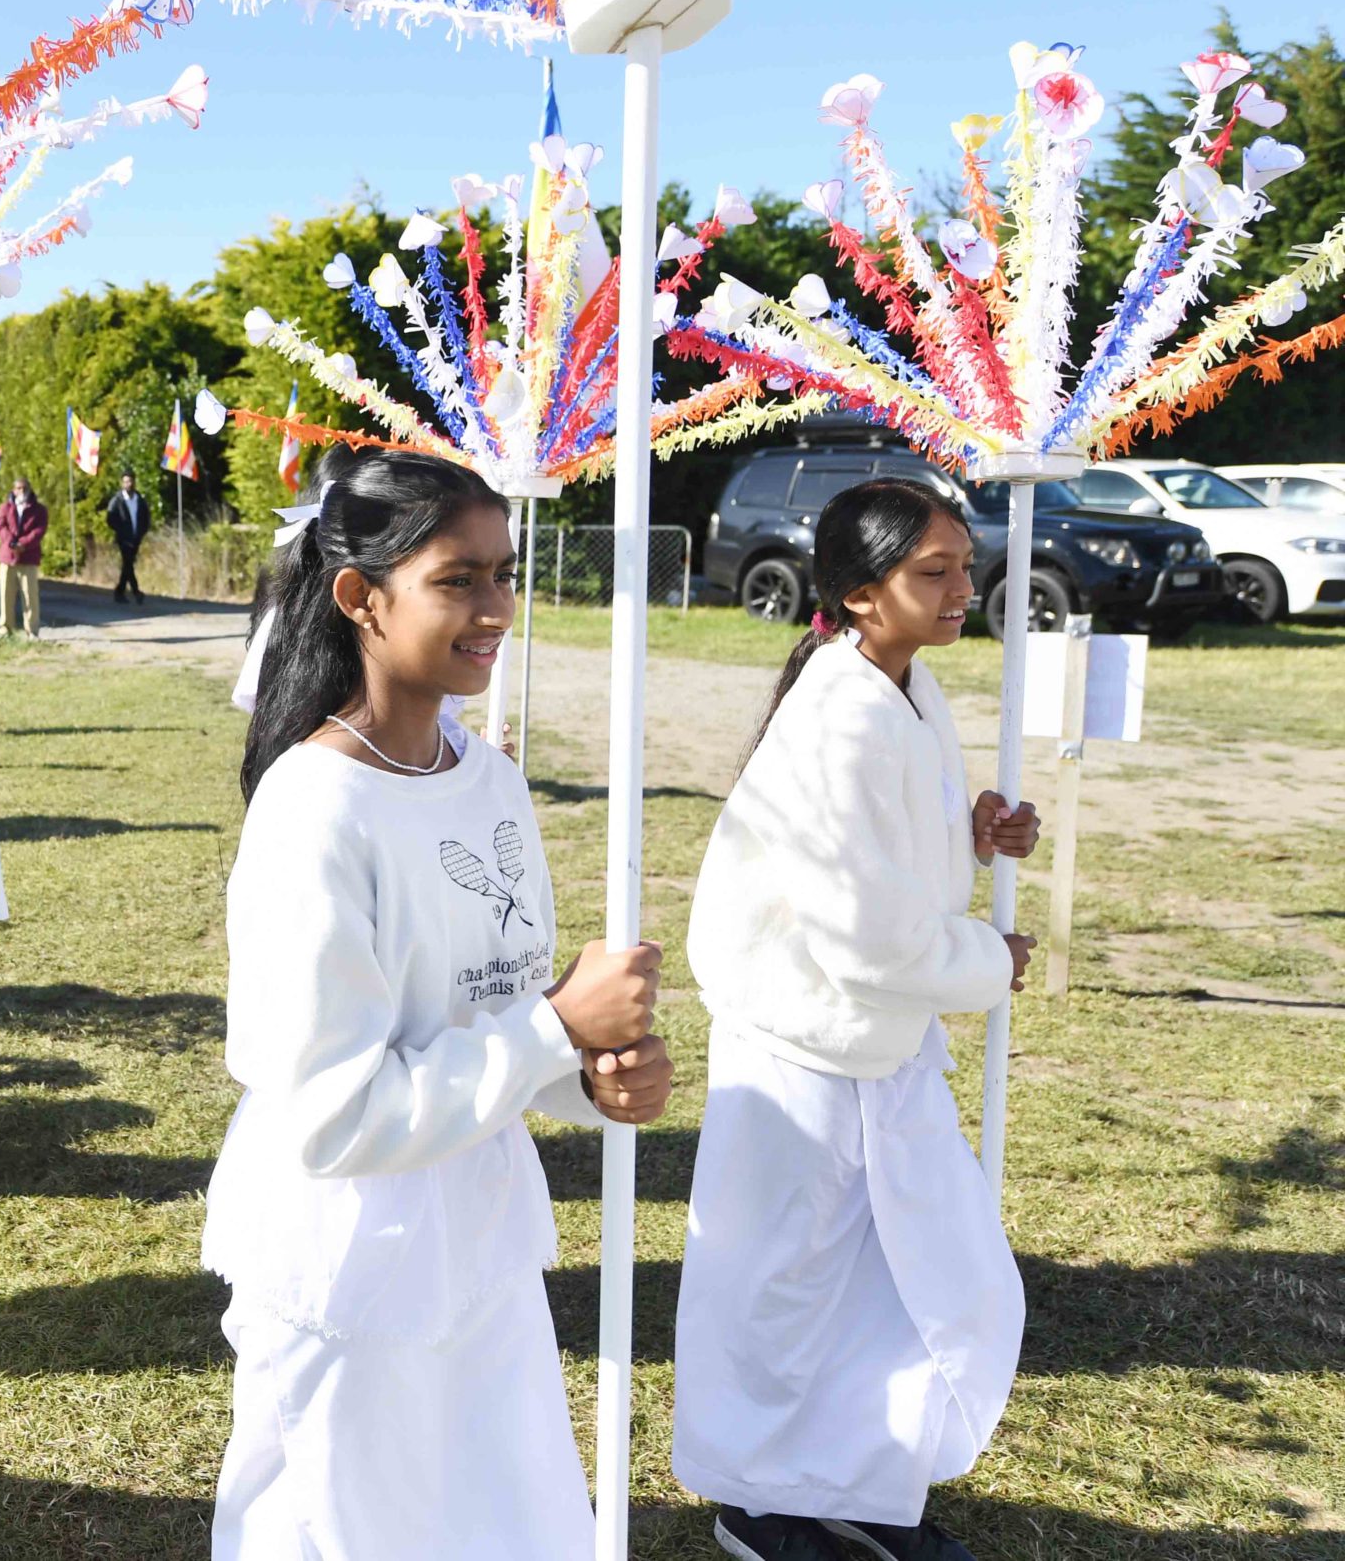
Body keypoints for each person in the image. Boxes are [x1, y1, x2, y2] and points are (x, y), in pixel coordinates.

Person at [206, 454, 674, 1561]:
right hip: (351, 1266)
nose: (495, 608)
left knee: (500, 1525)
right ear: (360, 597)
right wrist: (558, 1028)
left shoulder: (488, 774)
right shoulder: (314, 808)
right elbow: (334, 1115)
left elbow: (500, 1004)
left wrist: (594, 1077)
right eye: (457, 580)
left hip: (481, 1238)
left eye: (503, 575)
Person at [673, 480, 1038, 1561]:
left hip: (876, 1038)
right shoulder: (838, 713)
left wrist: (970, 830)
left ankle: (854, 1480)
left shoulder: (905, 684)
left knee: (897, 1275)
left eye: (965, 566)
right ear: (861, 593)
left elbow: (889, 852)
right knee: (782, 1286)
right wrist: (989, 960)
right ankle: (757, 1501)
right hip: (802, 1041)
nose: (963, 587)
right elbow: (861, 927)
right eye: (935, 571)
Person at [0, 475, 47, 638]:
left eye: (24, 488)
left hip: (28, 558)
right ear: (13, 490)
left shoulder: (39, 509)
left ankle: (32, 631)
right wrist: (11, 543)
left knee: (30, 596)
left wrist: (23, 544)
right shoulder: (5, 507)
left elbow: (39, 530)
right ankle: (5, 629)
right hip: (8, 558)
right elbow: (1, 526)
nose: (21, 491)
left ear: (29, 490)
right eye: (18, 488)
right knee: (6, 595)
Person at [105, 471, 150, 604]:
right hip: (123, 539)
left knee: (128, 564)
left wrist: (141, 532)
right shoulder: (117, 500)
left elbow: (146, 518)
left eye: (130, 481)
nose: (128, 484)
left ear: (134, 482)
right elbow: (110, 518)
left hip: (136, 538)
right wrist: (120, 531)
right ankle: (136, 592)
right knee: (128, 562)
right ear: (122, 483)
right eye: (125, 482)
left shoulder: (139, 500)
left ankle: (120, 591)